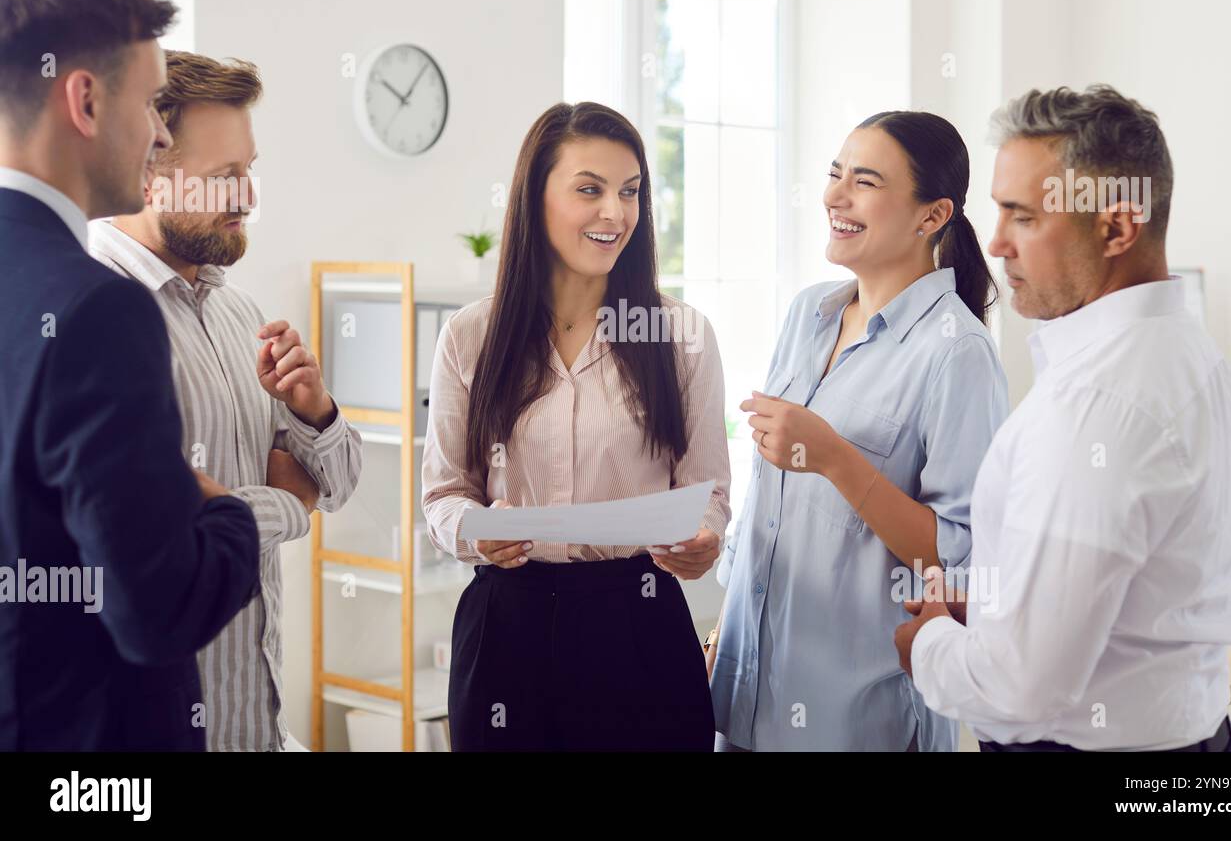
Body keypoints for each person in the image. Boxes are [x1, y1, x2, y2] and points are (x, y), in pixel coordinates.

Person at [896, 85, 1231, 752]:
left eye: (1022, 216)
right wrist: (1004, 605)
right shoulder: (1196, 357)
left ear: (1117, 227)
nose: (995, 243)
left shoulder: (1095, 405)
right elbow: (1141, 595)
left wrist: (930, 643)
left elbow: (1020, 692)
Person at [0, 0, 259, 750]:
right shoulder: (101, 311)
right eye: (150, 103)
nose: (155, 133)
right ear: (83, 99)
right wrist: (227, 513)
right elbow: (156, 613)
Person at [421, 101, 731, 751]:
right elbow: (445, 494)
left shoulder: (681, 337)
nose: (614, 213)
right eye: (589, 190)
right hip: (508, 623)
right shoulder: (472, 336)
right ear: (536, 199)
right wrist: (477, 531)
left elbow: (710, 494)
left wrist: (704, 541)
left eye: (630, 192)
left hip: (637, 619)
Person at [88, 50, 362, 751]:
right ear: (148, 172)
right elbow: (152, 540)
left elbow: (339, 485)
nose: (247, 198)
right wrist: (285, 506)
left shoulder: (239, 312)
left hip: (258, 725)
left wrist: (313, 411)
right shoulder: (94, 313)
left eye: (249, 171)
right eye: (224, 178)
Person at [710, 111, 1008, 751]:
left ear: (932, 216)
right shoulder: (806, 314)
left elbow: (960, 563)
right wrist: (728, 627)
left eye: (865, 182)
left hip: (857, 719)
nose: (834, 196)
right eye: (834, 174)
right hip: (744, 698)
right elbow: (767, 499)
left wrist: (836, 459)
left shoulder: (958, 353)